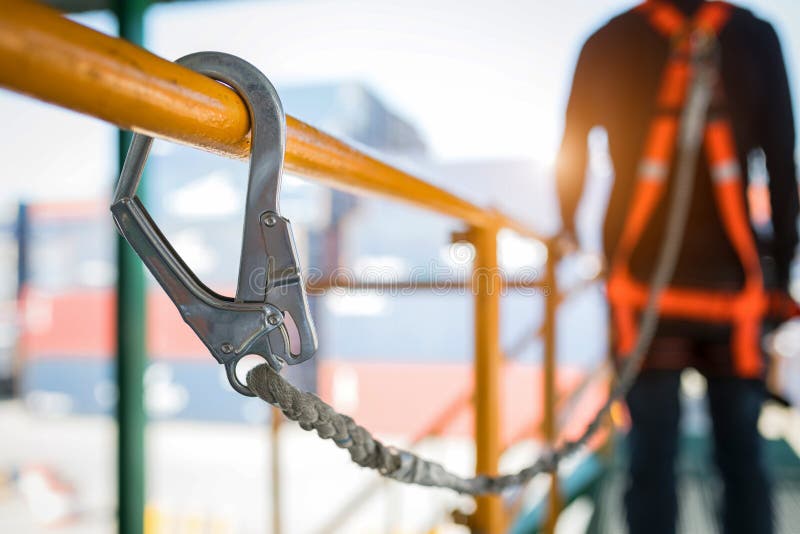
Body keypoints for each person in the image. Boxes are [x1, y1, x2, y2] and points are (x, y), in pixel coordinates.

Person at [555, 1, 797, 533]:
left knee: (650, 457)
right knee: (741, 458)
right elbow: (782, 160)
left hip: (640, 290)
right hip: (733, 291)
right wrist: (780, 275)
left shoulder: (608, 40)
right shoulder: (755, 37)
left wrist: (569, 228)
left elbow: (571, 148)